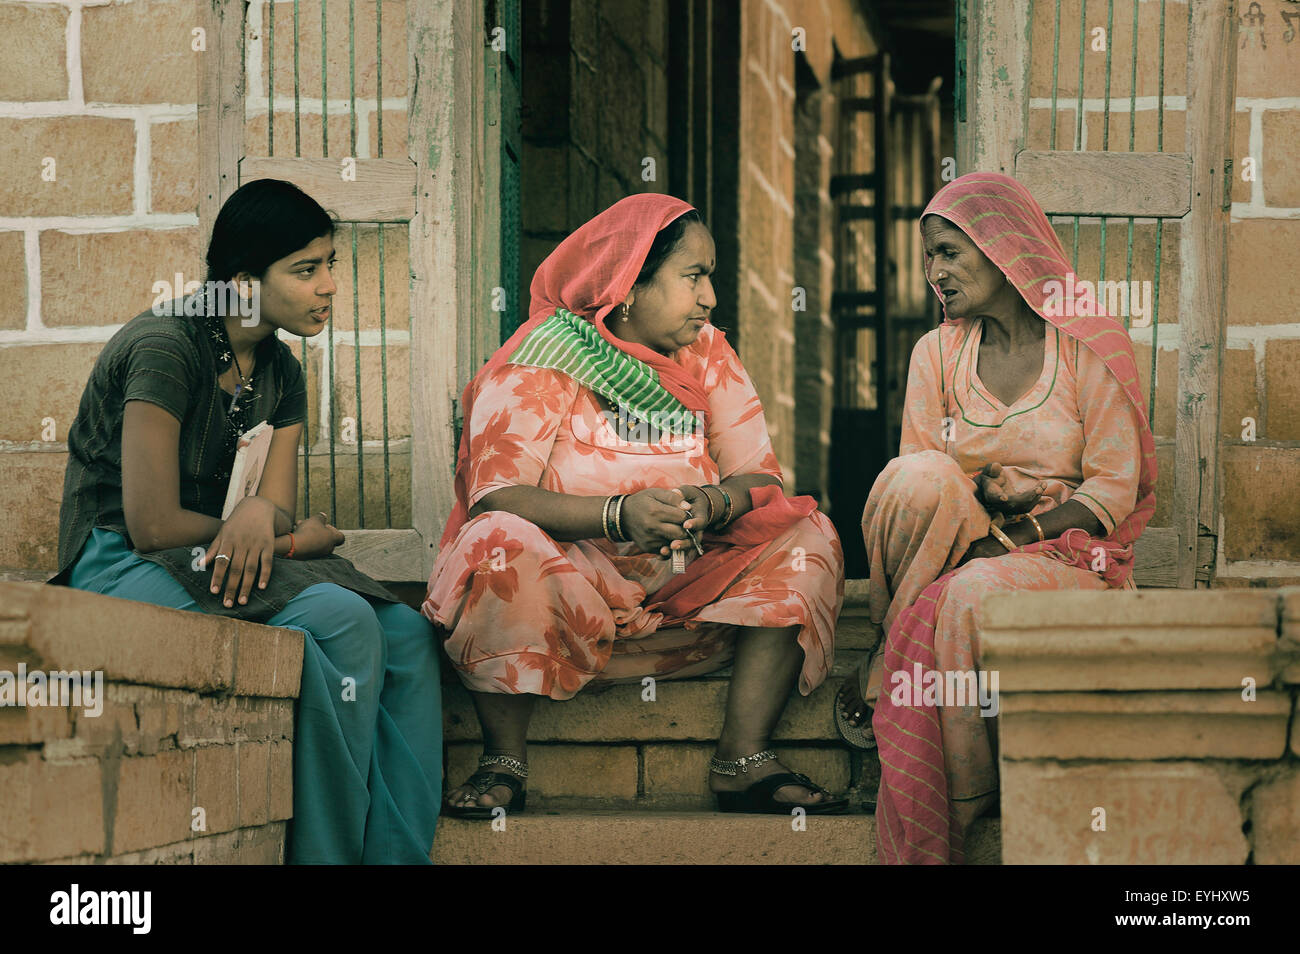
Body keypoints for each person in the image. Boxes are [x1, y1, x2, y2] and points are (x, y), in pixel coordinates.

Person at [52, 179, 443, 865]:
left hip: (223, 561)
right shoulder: (165, 348)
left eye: (330, 265)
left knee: (406, 631)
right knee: (341, 618)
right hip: (123, 564)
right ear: (242, 282)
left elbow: (275, 503)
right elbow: (149, 524)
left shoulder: (281, 368)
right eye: (305, 269)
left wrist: (268, 516)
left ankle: (397, 856)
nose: (327, 286)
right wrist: (291, 540)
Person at [423, 193, 847, 817]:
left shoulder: (707, 353)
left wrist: (710, 502)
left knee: (810, 534)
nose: (710, 297)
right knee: (497, 544)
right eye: (693, 277)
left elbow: (757, 475)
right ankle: (502, 759)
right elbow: (498, 493)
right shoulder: (546, 357)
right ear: (629, 285)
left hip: (691, 596)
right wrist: (619, 515)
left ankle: (743, 756)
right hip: (572, 595)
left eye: (711, 278)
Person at [833, 172, 1156, 864]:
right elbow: (917, 486)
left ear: (1003, 246)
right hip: (958, 545)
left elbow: (1111, 492)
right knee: (914, 477)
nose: (935, 272)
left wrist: (1009, 540)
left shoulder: (1085, 347)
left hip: (1063, 558)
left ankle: (956, 782)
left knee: (969, 595)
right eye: (929, 257)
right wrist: (986, 495)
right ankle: (901, 644)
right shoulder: (937, 353)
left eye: (950, 252)